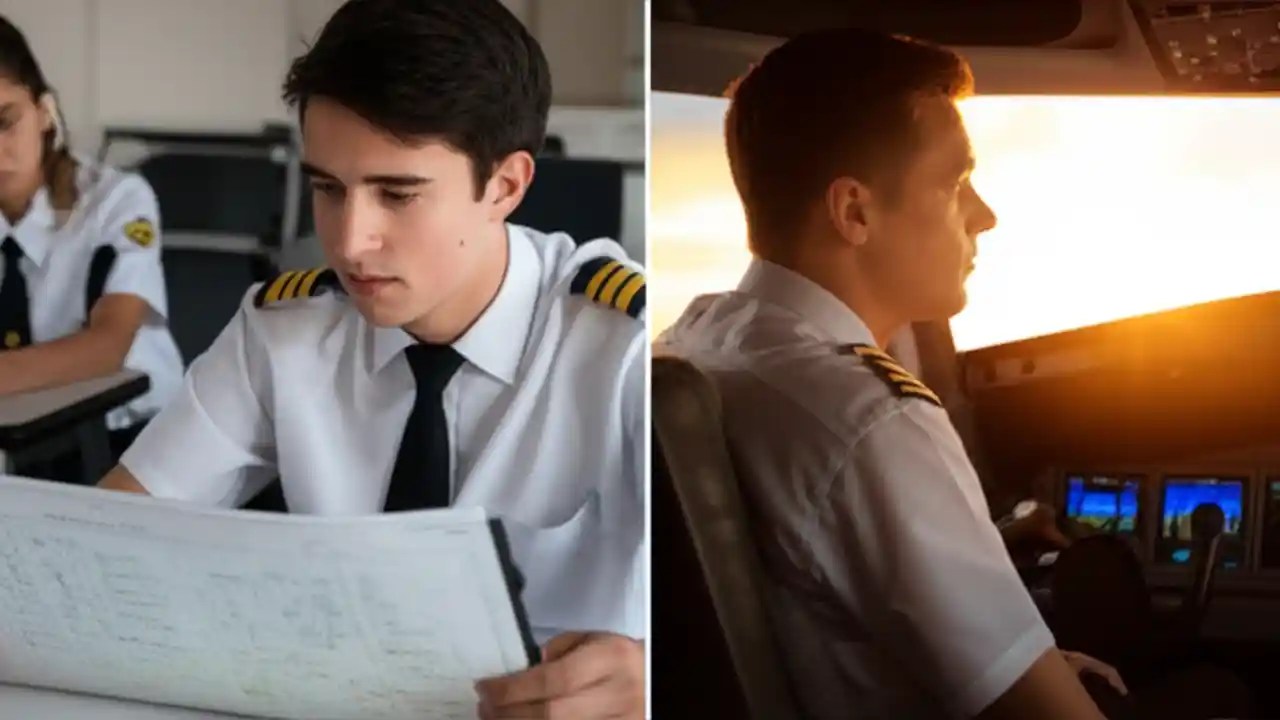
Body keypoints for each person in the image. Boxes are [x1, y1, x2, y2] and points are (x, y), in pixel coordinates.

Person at [95, 1, 644, 718]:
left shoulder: (622, 344)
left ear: (505, 186)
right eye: (328, 189)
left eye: (397, 193)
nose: (351, 242)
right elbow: (109, 533)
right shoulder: (282, 330)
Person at [654, 29, 1118, 719]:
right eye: (955, 182)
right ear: (854, 211)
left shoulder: (701, 341)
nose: (983, 216)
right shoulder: (869, 419)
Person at [0, 15, 182, 461]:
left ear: (45, 112)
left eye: (5, 122)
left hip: (135, 434)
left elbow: (108, 345)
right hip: (22, 438)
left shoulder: (115, 199)